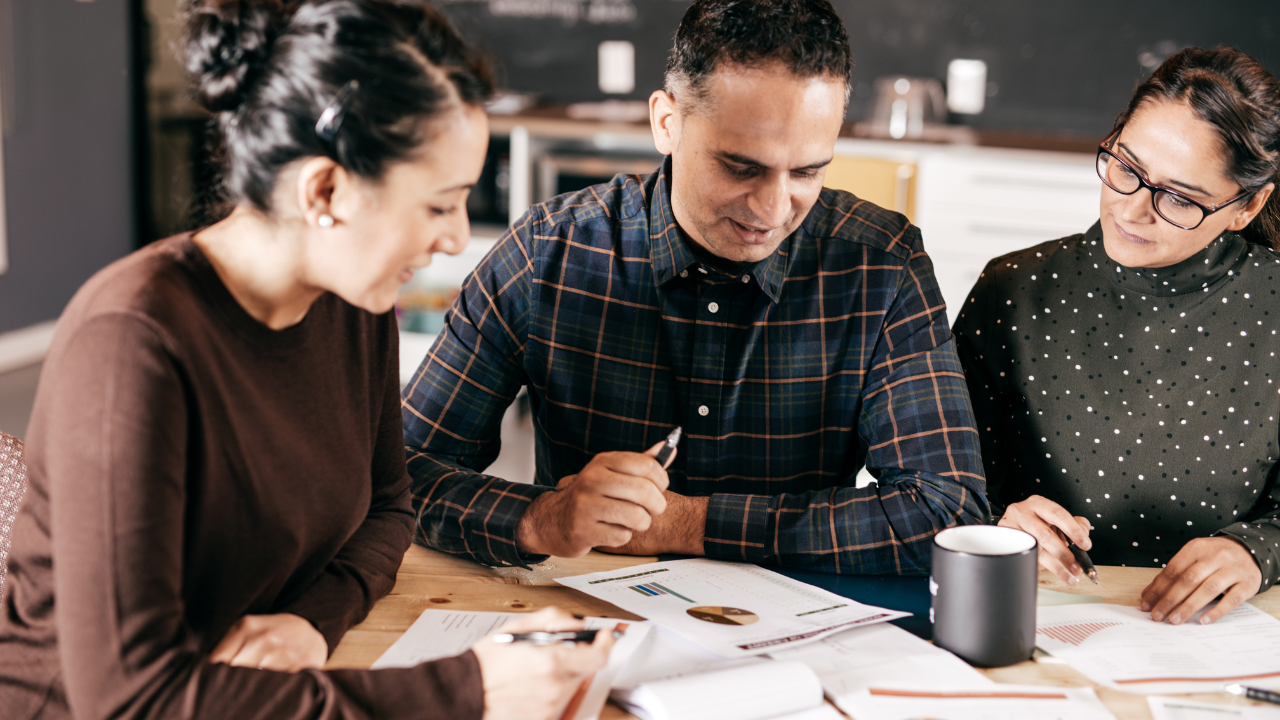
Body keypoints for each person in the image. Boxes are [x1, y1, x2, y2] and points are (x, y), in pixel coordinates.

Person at [0, 2, 610, 719]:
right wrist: (467, 692)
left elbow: (391, 507)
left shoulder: (354, 303)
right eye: (438, 206)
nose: (452, 239)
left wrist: (310, 621)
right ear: (325, 190)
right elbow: (129, 698)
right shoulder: (132, 343)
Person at [402, 0, 988, 576]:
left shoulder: (882, 266)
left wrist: (684, 523)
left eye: (807, 171)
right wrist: (543, 520)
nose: (773, 208)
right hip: (581, 616)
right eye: (741, 167)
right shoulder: (545, 253)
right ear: (667, 121)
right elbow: (400, 476)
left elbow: (946, 511)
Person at [954, 47, 1280, 625]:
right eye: (1126, 168)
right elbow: (939, 479)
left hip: (1220, 633)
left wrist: (1256, 552)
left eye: (1180, 198)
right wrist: (994, 516)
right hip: (1037, 615)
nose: (1131, 210)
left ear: (1247, 205)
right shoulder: (1012, 290)